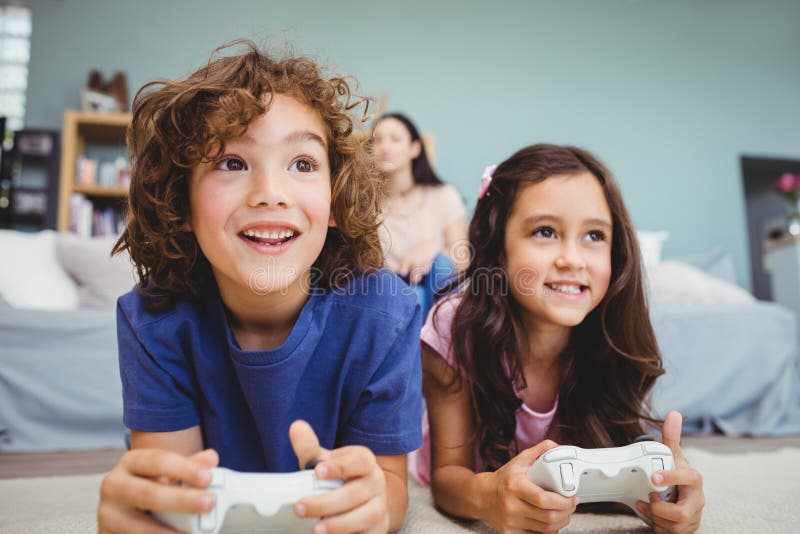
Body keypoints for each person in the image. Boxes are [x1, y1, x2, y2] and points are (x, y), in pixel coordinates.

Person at [97, 41, 423, 534]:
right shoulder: (153, 320)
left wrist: (372, 503)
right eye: (231, 162)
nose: (270, 193)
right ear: (179, 204)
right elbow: (176, 498)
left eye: (302, 164)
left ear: (335, 201)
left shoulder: (387, 313)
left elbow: (388, 487)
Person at [415, 144, 705, 533]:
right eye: (545, 231)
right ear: (497, 248)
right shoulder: (453, 328)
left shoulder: (610, 333)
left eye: (594, 236)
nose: (573, 259)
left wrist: (667, 494)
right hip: (466, 474)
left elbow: (618, 457)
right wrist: (488, 496)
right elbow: (448, 477)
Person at [371, 113, 468, 313]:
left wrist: (434, 249)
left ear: (415, 148)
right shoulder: (364, 206)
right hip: (391, 293)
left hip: (439, 285)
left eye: (395, 139)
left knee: (438, 265)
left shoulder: (444, 195)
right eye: (377, 140)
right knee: (411, 295)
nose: (384, 147)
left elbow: (464, 260)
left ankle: (435, 337)